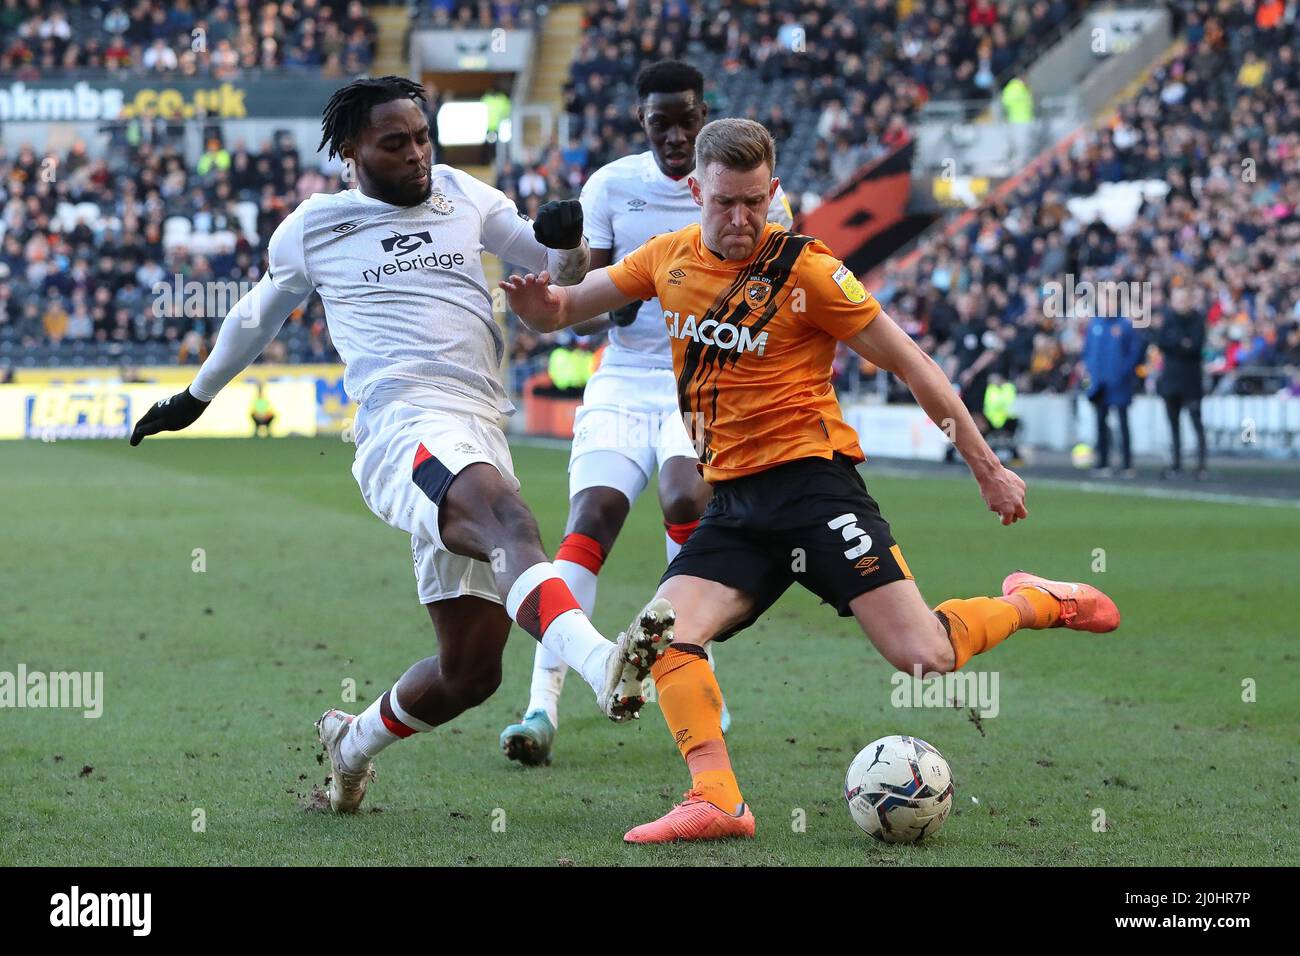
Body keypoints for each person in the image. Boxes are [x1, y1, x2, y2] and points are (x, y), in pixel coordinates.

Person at [501, 118, 1121, 843]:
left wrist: (987, 468)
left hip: (815, 491)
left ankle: (1036, 600)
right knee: (665, 637)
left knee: (925, 656)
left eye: (754, 203)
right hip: (734, 503)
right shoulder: (665, 258)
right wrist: (538, 308)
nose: (741, 220)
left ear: (774, 193)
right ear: (696, 191)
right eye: (725, 203)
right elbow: (567, 307)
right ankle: (717, 800)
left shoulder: (807, 272)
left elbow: (911, 363)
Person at [128, 76, 678, 816]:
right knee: (510, 523)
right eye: (395, 143)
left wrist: (568, 241)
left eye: (422, 137)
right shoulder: (315, 227)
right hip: (403, 429)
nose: (417, 154)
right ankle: (599, 661)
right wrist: (195, 397)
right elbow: (256, 316)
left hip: (480, 428)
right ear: (351, 153)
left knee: (470, 673)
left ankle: (350, 744)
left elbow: (560, 276)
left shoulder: (462, 193)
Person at [499, 60, 795, 766]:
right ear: (642, 121)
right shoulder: (611, 186)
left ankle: (696, 677)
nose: (674, 134)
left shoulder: (748, 192)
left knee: (685, 496)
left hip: (704, 382)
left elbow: (776, 292)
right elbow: (578, 311)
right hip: (625, 380)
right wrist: (586, 280)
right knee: (591, 518)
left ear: (703, 116)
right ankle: (541, 705)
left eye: (686, 119)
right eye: (660, 122)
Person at [1082, 311, 1146, 477]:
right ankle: (1103, 461)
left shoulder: (1125, 325)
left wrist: (1122, 373)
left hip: (1119, 383)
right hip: (1099, 383)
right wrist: (1092, 373)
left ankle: (1127, 463)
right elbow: (1088, 352)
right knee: (1100, 423)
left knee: (1122, 422)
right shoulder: (1095, 325)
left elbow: (1134, 353)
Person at [1156, 284, 1208, 479]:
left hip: (1191, 381)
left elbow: (1195, 346)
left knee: (1196, 422)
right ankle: (1176, 464)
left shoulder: (1197, 320)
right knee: (1174, 425)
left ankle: (1201, 465)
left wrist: (1177, 343)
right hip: (1171, 381)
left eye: (1183, 299)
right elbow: (1163, 342)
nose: (1180, 303)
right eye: (1177, 300)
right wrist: (1181, 343)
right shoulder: (1169, 319)